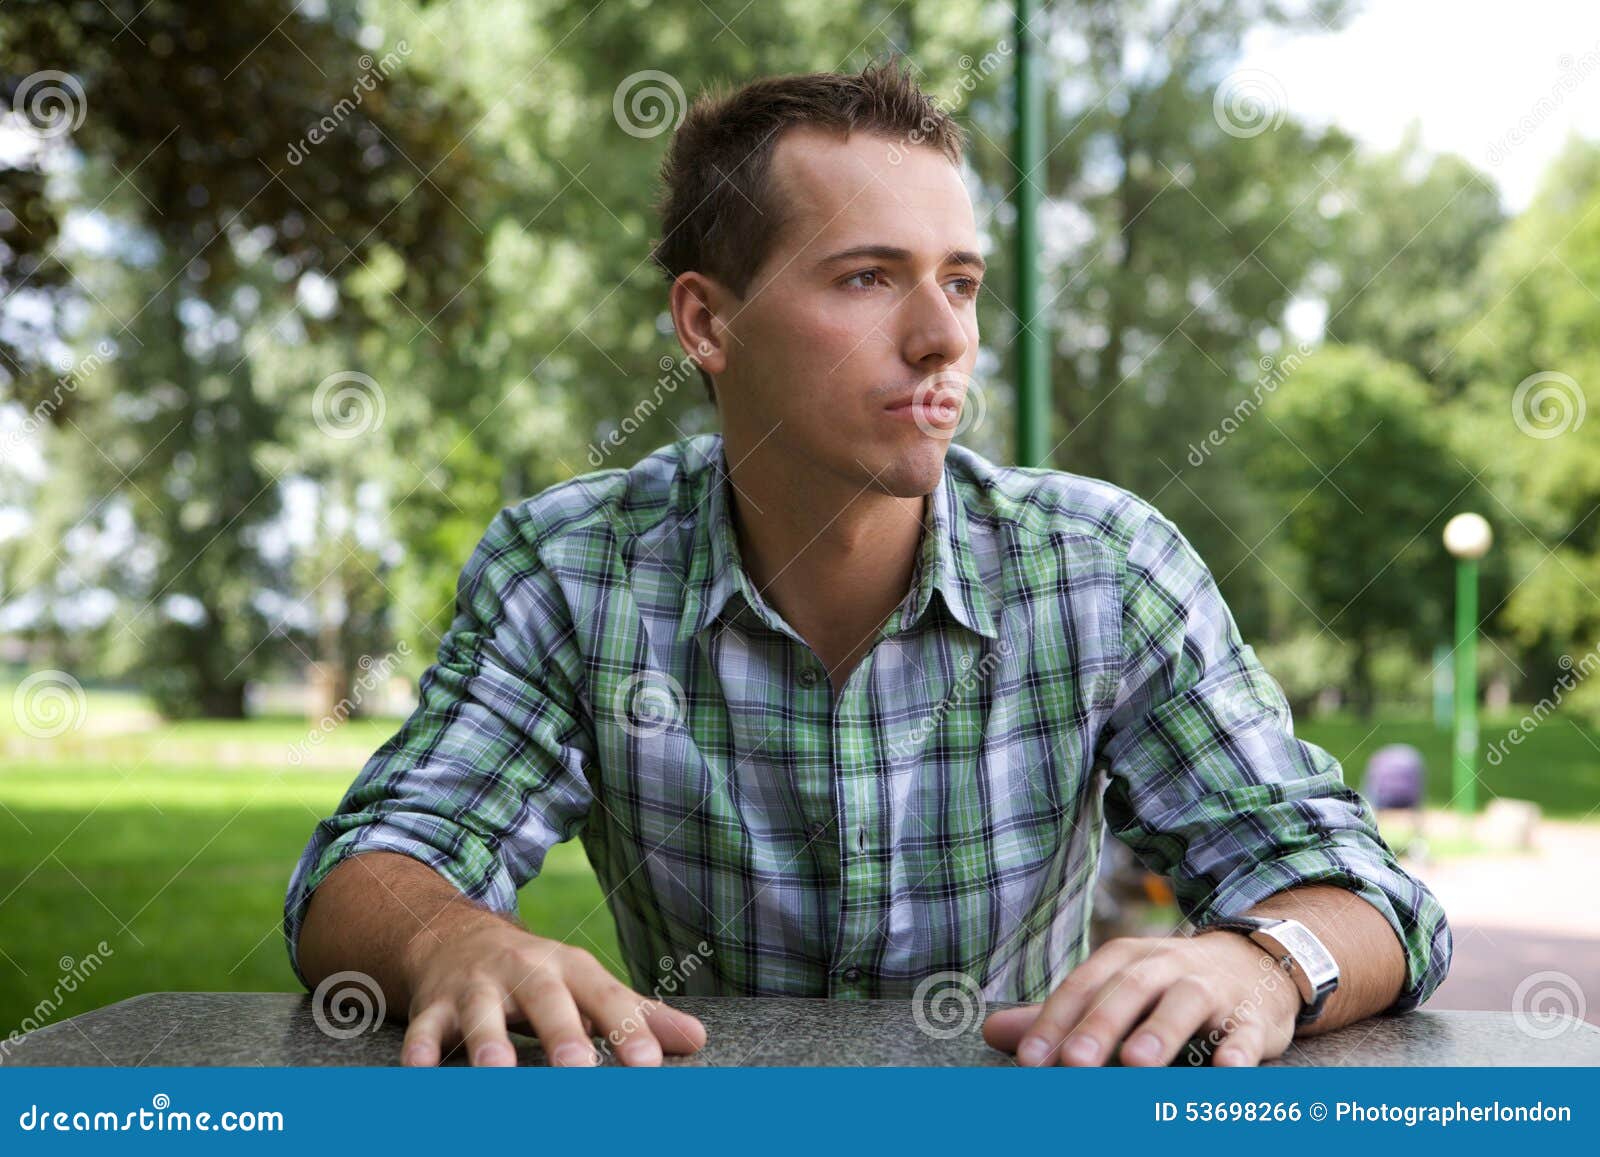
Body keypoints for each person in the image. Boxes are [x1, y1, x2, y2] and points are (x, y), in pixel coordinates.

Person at [284, 59, 1451, 1070]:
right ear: (705, 323)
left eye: (959, 280)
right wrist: (455, 938)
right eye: (866, 277)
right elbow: (366, 869)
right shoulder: (571, 568)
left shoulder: (1102, 566)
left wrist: (1259, 960)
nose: (944, 335)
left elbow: (1367, 895)